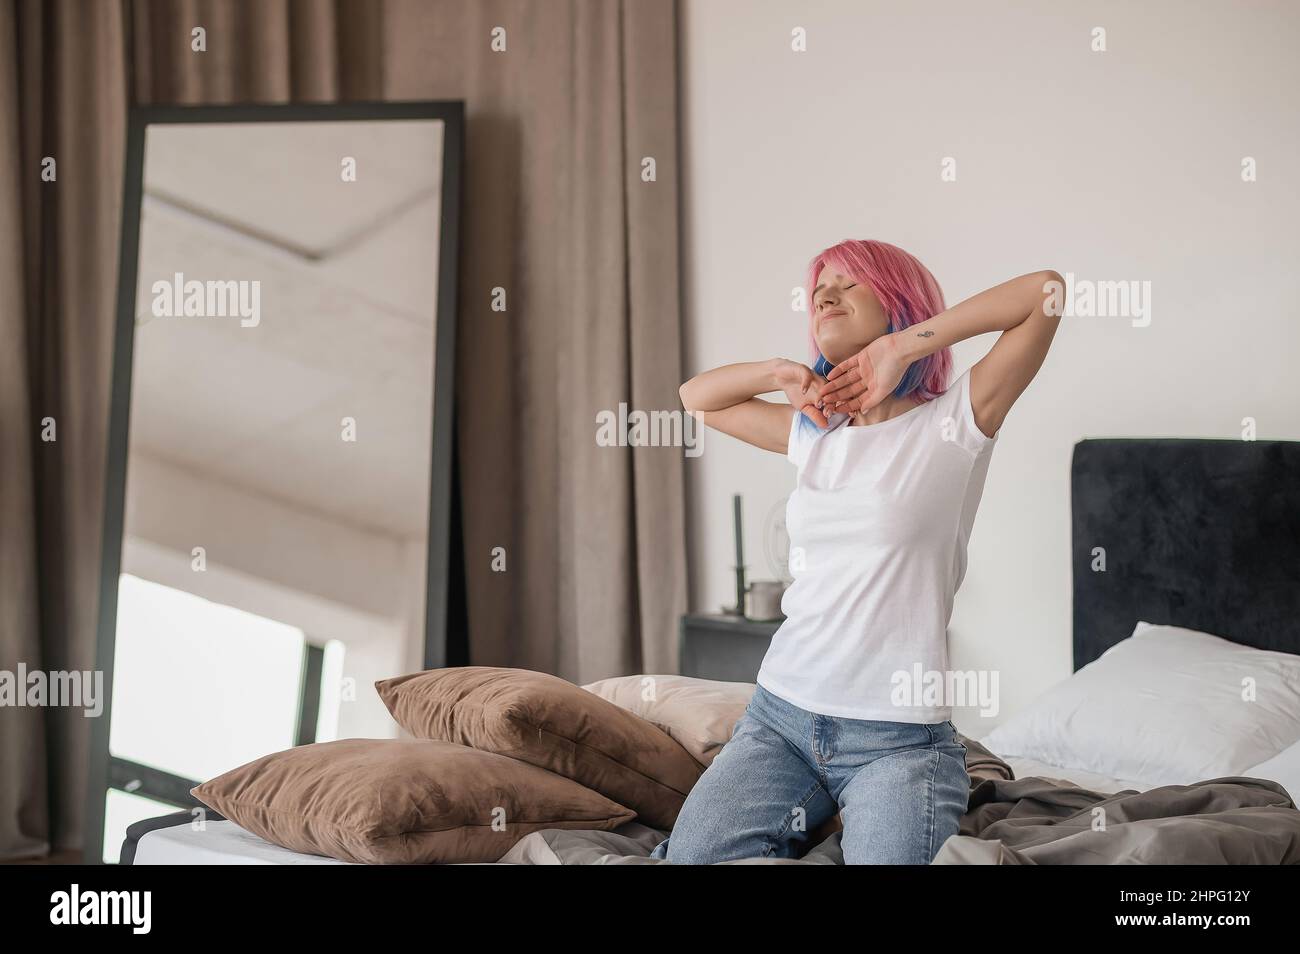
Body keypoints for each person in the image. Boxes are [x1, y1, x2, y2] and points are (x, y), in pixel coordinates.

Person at [651, 238, 1062, 864]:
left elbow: (1044, 293)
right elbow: (695, 399)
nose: (825, 294)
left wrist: (903, 346)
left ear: (898, 303)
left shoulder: (954, 424)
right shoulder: (815, 434)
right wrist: (782, 375)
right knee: (690, 859)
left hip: (898, 742)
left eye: (849, 282)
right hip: (779, 721)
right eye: (819, 287)